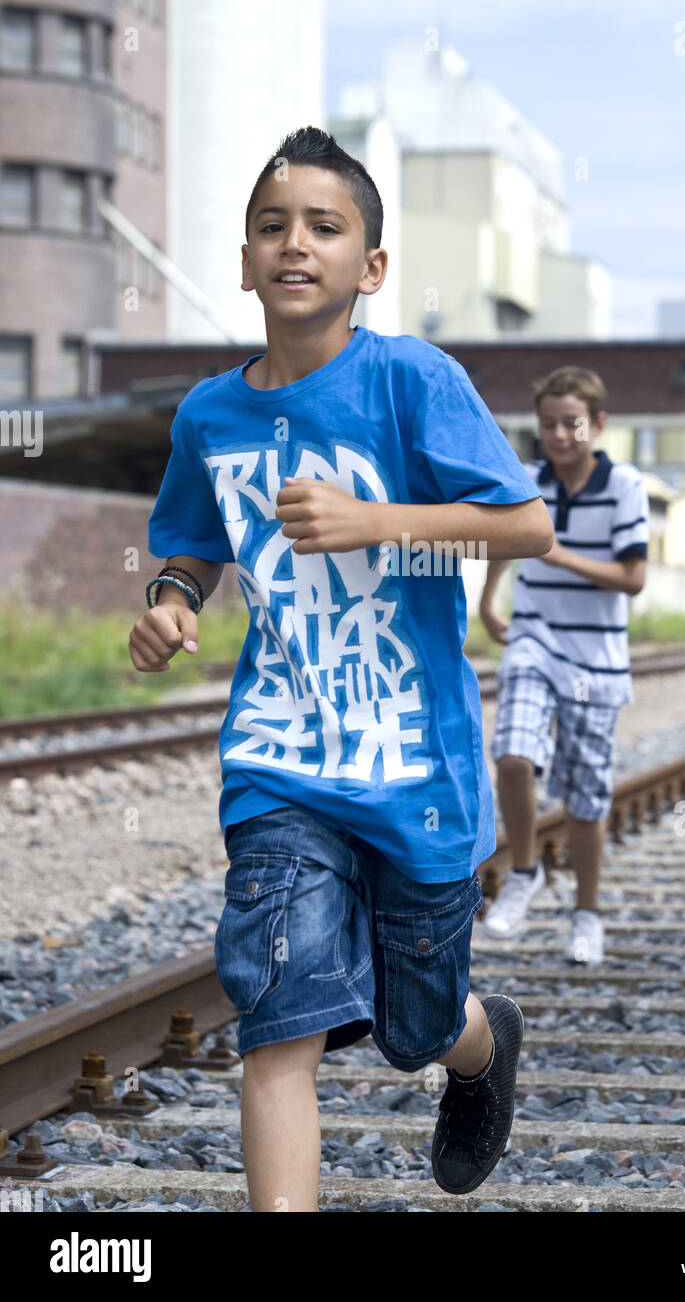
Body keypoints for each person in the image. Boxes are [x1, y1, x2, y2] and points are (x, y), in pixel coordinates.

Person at [128, 126, 553, 1212]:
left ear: (368, 266)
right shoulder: (209, 414)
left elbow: (525, 525)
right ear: (242, 261)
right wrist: (171, 602)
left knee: (416, 1022)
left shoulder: (411, 379)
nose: (293, 244)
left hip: (413, 763)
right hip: (278, 761)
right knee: (278, 1020)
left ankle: (476, 1044)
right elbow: (192, 541)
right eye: (271, 226)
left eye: (324, 226)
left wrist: (376, 518)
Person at [479, 367, 649, 963]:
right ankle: (524, 872)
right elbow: (507, 537)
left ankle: (587, 914)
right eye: (548, 423)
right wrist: (487, 599)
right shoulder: (526, 479)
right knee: (513, 756)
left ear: (597, 424)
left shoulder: (624, 485)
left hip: (596, 661)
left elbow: (633, 578)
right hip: (534, 639)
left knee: (584, 801)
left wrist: (556, 551)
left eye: (571, 423)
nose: (558, 434)